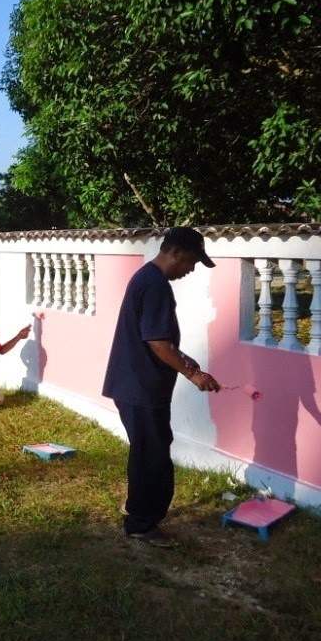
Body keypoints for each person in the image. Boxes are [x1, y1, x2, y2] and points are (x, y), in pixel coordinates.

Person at [102, 227, 222, 548]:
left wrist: (183, 357)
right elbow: (157, 343)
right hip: (141, 387)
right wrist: (193, 375)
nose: (191, 269)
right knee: (152, 455)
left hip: (134, 384)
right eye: (193, 262)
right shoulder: (154, 285)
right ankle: (141, 523)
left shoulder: (146, 278)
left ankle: (135, 508)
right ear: (177, 253)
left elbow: (158, 340)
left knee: (146, 449)